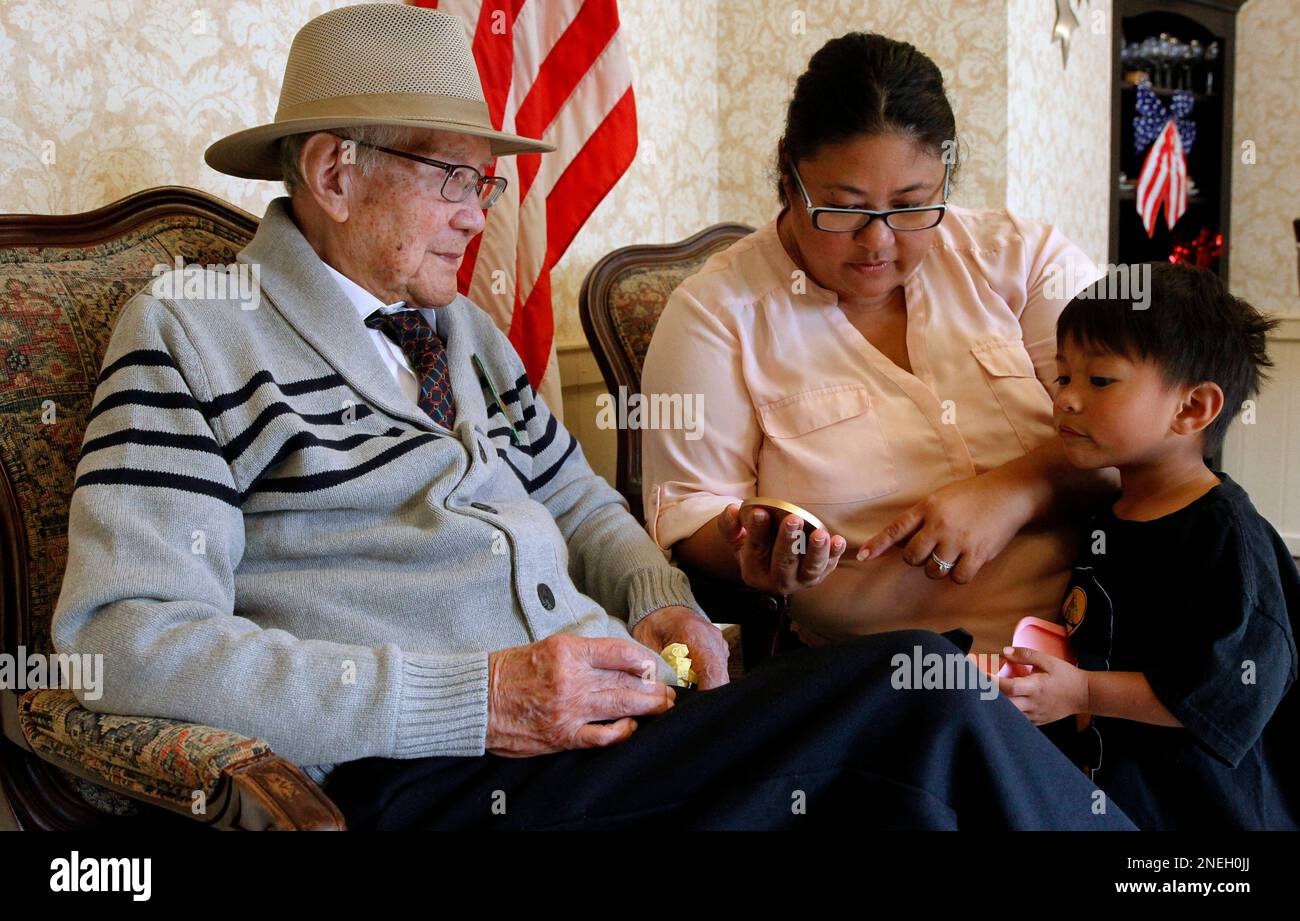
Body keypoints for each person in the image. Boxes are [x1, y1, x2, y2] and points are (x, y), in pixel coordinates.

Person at [51, 3, 1134, 829]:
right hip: (446, 773)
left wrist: (658, 598)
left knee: (925, 708)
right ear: (337, 174)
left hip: (610, 734)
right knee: (918, 693)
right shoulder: (194, 331)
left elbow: (574, 496)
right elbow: (121, 646)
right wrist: (474, 699)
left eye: (486, 186)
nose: (482, 217)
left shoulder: (463, 336)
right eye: (458, 183)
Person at [641, 32, 1115, 655]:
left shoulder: (1023, 260)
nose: (878, 243)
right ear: (789, 175)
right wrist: (753, 553)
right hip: (885, 674)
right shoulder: (717, 313)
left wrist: (1016, 490)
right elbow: (690, 516)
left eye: (912, 207)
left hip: (1099, 628)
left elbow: (1136, 432)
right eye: (844, 209)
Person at [1001, 262, 1297, 829]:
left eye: (1100, 381)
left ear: (1191, 408)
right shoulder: (1106, 515)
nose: (1065, 399)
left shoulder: (1225, 538)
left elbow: (1227, 691)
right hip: (1117, 797)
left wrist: (1083, 690)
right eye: (1064, 377)